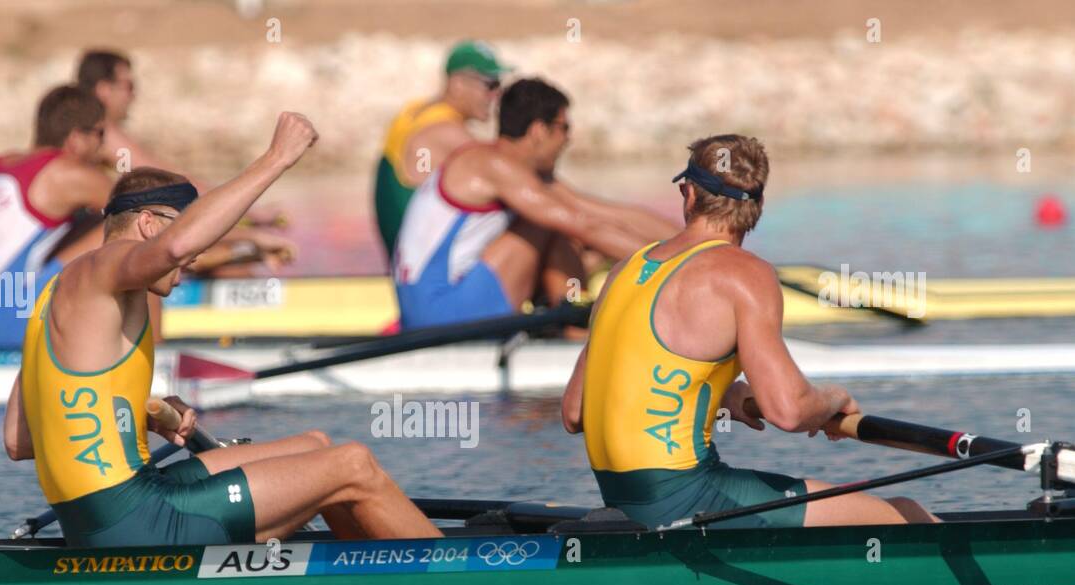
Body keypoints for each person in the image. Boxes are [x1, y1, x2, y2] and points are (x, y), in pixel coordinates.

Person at [3, 114, 441, 547]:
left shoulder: (53, 298)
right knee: (353, 464)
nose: (195, 258)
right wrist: (276, 158)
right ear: (148, 225)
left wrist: (133, 420)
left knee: (316, 446)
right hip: (137, 520)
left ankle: (360, 572)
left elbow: (19, 441)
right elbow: (177, 245)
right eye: (188, 228)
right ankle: (453, 568)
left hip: (98, 517)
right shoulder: (107, 262)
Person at [560, 134, 937, 529]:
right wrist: (831, 399)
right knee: (906, 515)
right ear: (757, 207)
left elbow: (574, 412)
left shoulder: (625, 269)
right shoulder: (746, 275)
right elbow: (789, 411)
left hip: (623, 502)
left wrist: (719, 393)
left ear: (688, 193)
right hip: (690, 498)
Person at [393, 77, 676, 331]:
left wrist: (693, 244)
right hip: (442, 313)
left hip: (429, 307)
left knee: (568, 225)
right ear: (539, 130)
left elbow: (606, 213)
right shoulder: (493, 166)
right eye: (564, 127)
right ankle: (575, 333)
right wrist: (675, 266)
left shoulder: (512, 170)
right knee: (554, 224)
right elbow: (585, 225)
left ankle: (563, 316)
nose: (568, 139)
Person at [0, 85, 114, 349]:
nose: (104, 147)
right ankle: (155, 353)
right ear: (77, 138)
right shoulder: (66, 174)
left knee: (96, 222)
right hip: (0, 325)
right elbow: (148, 207)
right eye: (100, 135)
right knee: (135, 226)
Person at [77, 48, 290, 242]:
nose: (134, 95)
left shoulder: (86, 129)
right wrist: (249, 213)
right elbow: (171, 183)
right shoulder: (104, 132)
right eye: (129, 86)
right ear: (104, 90)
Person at [373, 39, 509, 260]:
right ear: (457, 84)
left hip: (403, 255)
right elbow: (510, 177)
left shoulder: (414, 110)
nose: (496, 95)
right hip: (422, 265)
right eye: (490, 85)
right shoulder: (446, 132)